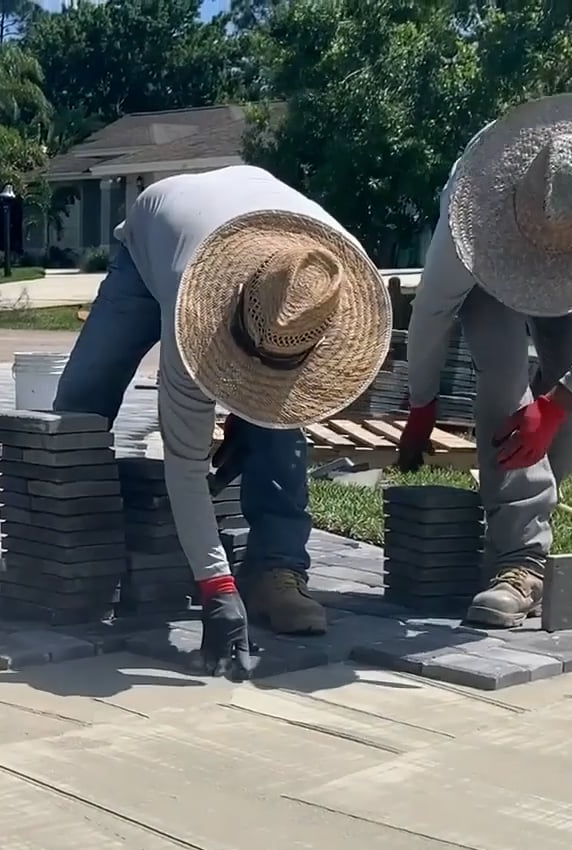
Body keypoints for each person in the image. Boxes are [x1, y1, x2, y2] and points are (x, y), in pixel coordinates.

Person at [52, 166, 392, 677]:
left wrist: (253, 408)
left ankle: (276, 570)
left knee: (280, 425)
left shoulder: (329, 279)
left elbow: (279, 355)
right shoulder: (190, 304)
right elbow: (185, 464)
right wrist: (216, 588)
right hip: (156, 238)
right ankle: (63, 548)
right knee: (84, 398)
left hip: (255, 219)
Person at [398, 94, 572, 628]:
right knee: (505, 385)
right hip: (494, 264)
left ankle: (520, 528)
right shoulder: (471, 212)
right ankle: (521, 561)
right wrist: (422, 402)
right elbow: (433, 312)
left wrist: (557, 404)